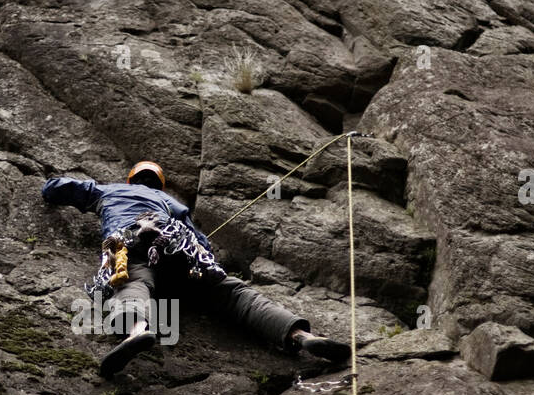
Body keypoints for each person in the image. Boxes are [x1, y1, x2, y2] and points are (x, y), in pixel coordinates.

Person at [43, 160, 349, 377]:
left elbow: (62, 188)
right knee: (230, 293)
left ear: (131, 179)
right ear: (158, 183)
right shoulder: (169, 201)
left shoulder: (109, 191)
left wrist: (49, 188)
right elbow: (199, 240)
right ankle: (298, 335)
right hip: (176, 243)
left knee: (131, 282)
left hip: (132, 238)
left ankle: (138, 331)